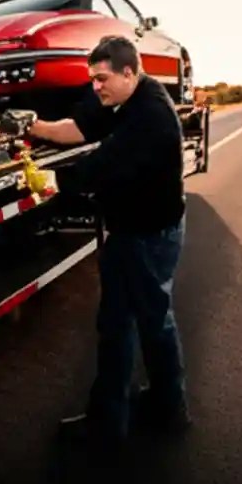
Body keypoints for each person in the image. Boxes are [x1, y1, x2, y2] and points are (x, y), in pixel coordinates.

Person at [25, 34, 192, 448]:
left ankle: (163, 412)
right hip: (132, 231)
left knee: (149, 323)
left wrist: (48, 181)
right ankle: (126, 415)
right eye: (93, 79)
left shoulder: (150, 113)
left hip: (149, 236)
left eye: (101, 79)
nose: (95, 87)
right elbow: (77, 129)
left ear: (129, 72)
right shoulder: (118, 99)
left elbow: (101, 166)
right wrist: (32, 126)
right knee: (121, 324)